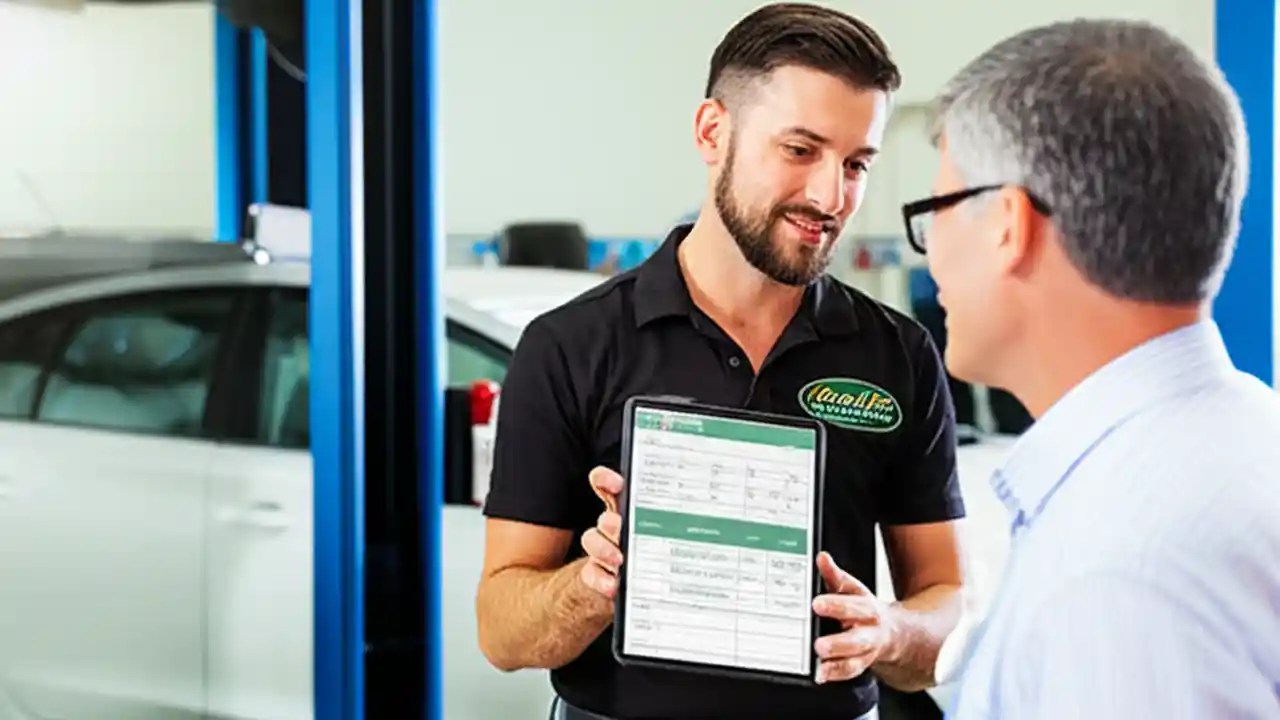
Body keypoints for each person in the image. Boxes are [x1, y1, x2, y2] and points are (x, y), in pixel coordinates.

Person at [476, 4, 968, 719]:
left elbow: (949, 603)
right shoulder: (571, 346)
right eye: (800, 150)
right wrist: (595, 584)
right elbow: (500, 630)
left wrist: (891, 631)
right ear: (713, 132)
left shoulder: (899, 355)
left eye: (856, 163)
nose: (830, 197)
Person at [908, 18, 1280, 719]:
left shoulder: (1117, 575)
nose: (929, 255)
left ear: (1007, 226)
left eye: (934, 212)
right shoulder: (1245, 433)